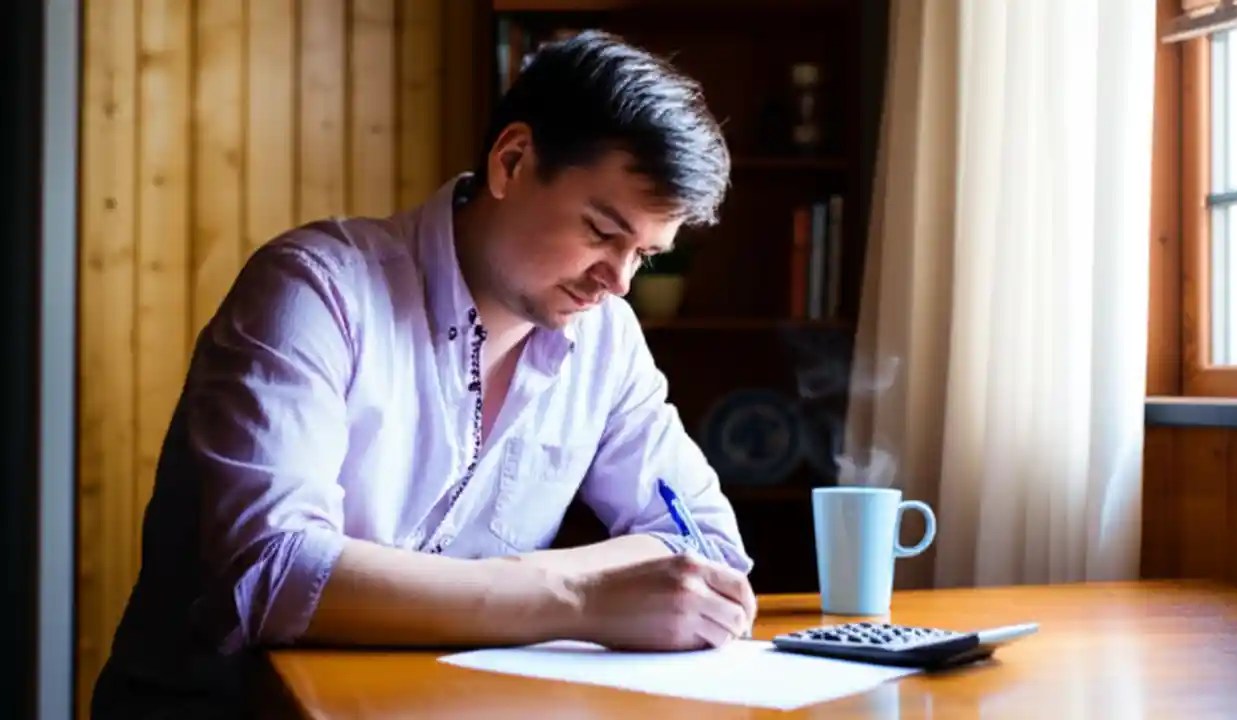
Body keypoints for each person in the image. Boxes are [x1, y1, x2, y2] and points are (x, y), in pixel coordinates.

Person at [91, 29, 756, 718]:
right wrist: (577, 598)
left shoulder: (605, 340)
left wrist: (542, 586)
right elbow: (276, 574)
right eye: (600, 232)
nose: (617, 282)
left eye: (644, 255)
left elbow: (707, 549)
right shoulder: (316, 292)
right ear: (513, 160)